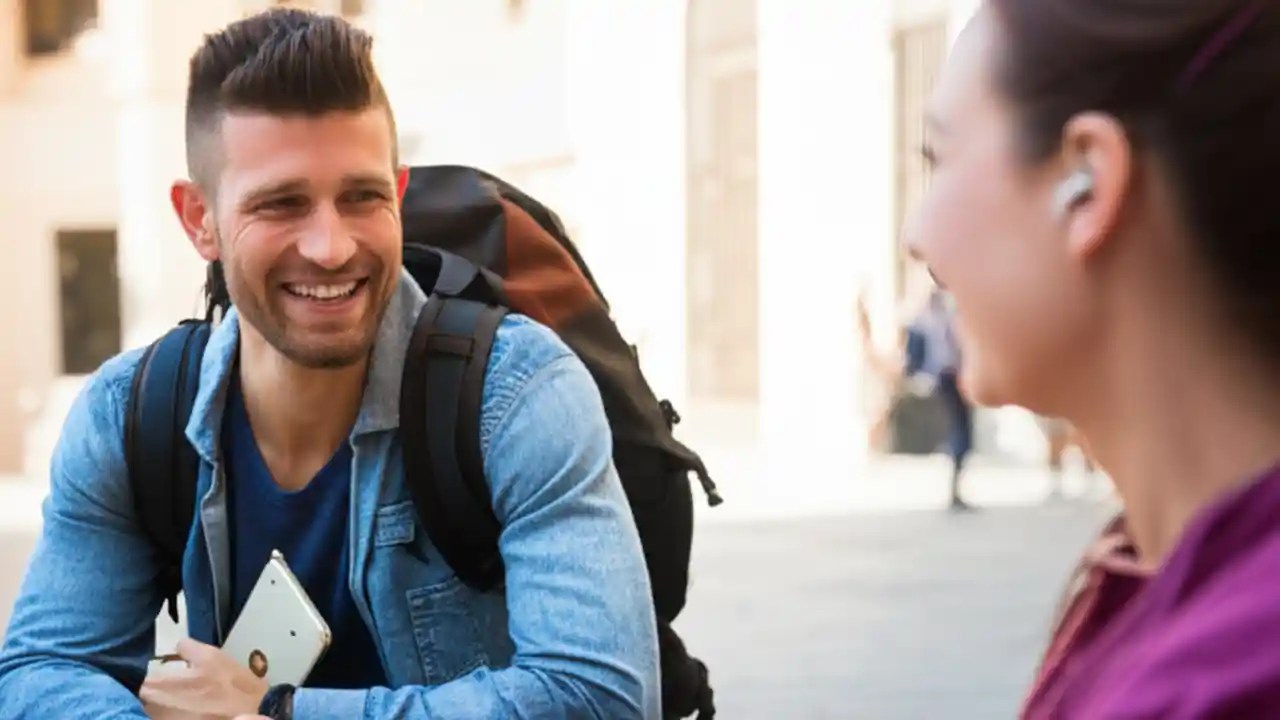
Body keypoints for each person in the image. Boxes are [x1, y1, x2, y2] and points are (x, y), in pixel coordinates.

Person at [0, 8, 659, 719]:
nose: (331, 247)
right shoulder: (130, 413)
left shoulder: (516, 391)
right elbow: (42, 670)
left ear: (398, 196)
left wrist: (275, 713)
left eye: (361, 197)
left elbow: (602, 697)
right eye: (282, 204)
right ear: (199, 221)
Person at [905, 0, 1280, 716]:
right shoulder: (1151, 573)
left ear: (1086, 183)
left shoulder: (1230, 681)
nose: (916, 236)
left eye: (938, 157)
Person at [904, 289, 974, 510]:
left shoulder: (949, 319)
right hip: (941, 379)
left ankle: (955, 486)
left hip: (954, 377)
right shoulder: (923, 323)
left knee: (962, 432)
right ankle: (953, 486)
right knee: (958, 432)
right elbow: (913, 357)